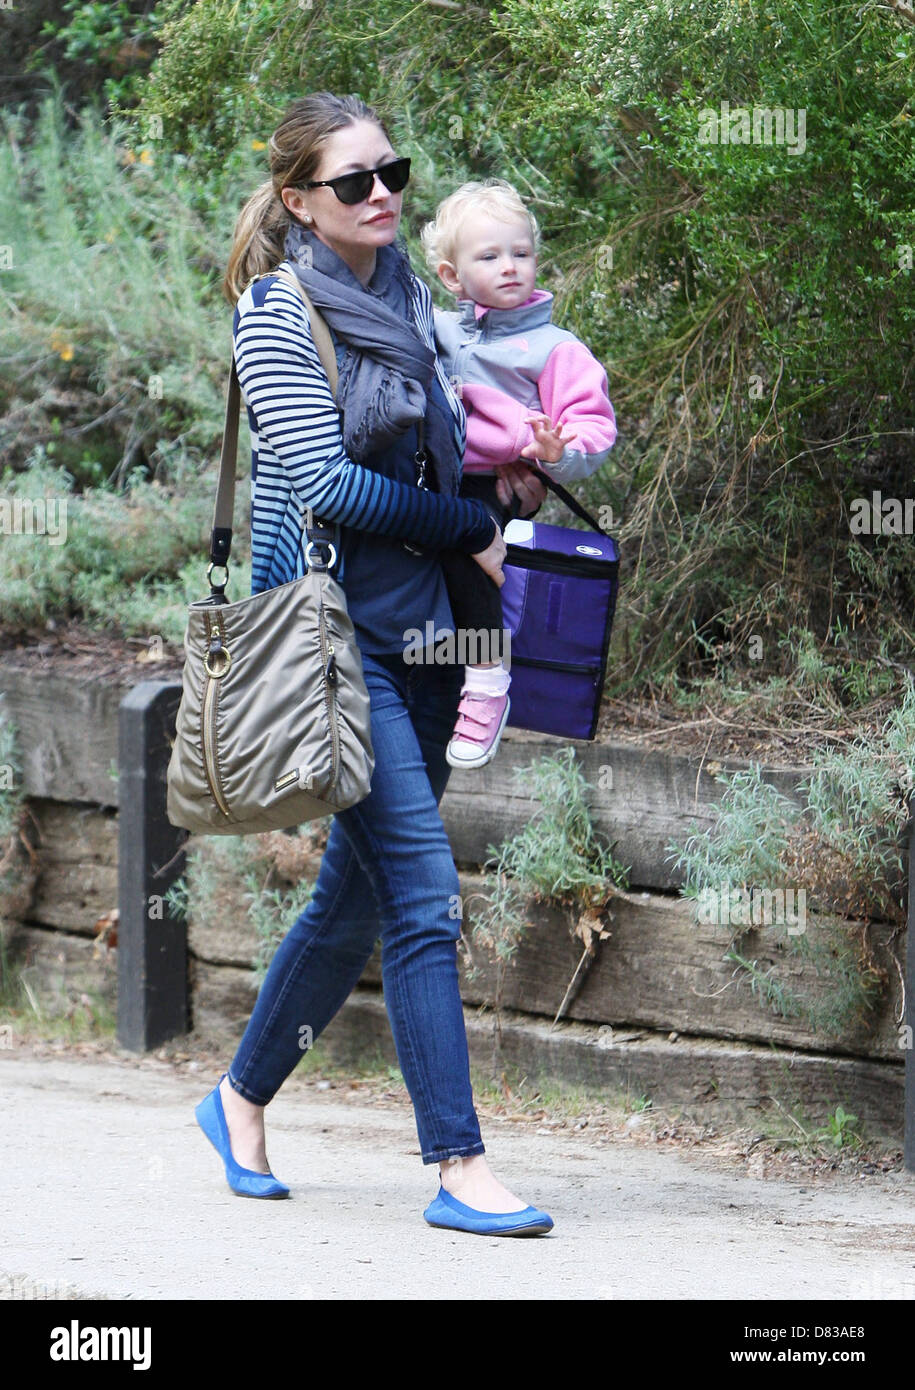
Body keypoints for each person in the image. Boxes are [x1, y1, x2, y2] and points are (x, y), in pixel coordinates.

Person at [193, 92, 554, 1236]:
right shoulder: (277, 312)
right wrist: (466, 530)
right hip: (335, 650)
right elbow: (328, 486)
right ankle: (457, 1164)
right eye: (355, 181)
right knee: (423, 895)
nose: (384, 191)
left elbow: (447, 455)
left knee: (356, 902)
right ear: (301, 200)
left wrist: (508, 482)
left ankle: (239, 1096)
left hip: (438, 639)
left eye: (391, 169)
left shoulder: (417, 297)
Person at [421, 179, 618, 770]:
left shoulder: (554, 349)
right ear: (453, 277)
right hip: (427, 476)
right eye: (490, 256)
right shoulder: (437, 328)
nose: (510, 267)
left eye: (521, 253)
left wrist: (557, 451)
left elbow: (594, 427)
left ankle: (486, 679)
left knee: (465, 538)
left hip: (489, 485)